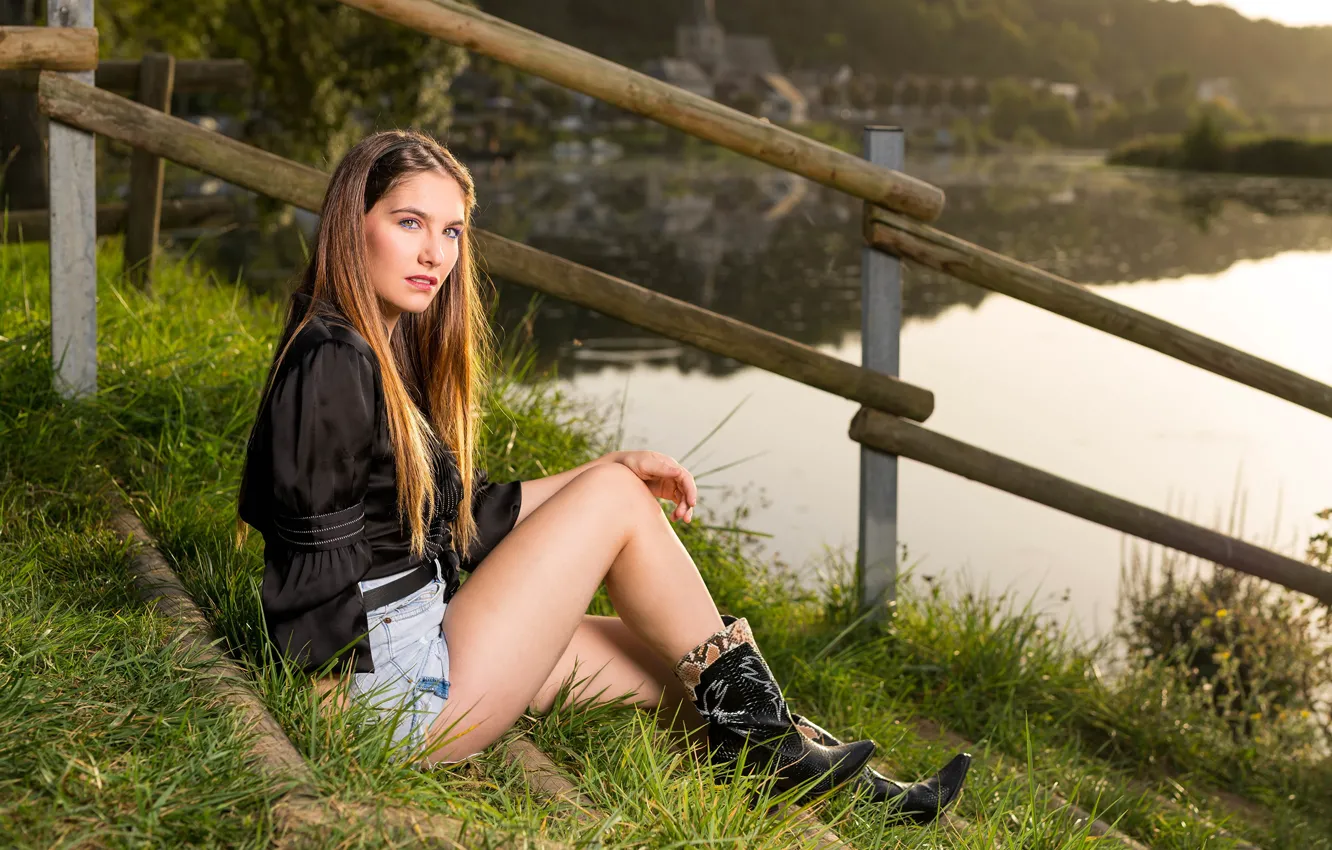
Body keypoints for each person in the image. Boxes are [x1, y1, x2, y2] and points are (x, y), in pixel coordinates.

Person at [234, 129, 969, 820]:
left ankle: (841, 785)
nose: (435, 252)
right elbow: (313, 579)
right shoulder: (333, 361)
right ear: (350, 222)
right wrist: (330, 707)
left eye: (452, 231)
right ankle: (777, 754)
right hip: (394, 701)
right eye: (409, 223)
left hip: (414, 651)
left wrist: (606, 467)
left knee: (663, 658)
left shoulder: (382, 349)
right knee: (619, 510)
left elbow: (465, 517)